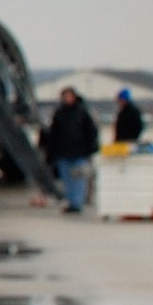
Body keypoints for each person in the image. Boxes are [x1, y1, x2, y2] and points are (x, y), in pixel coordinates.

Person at [42, 84, 100, 213]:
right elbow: (53, 133)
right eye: (65, 96)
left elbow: (91, 131)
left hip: (79, 152)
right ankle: (71, 202)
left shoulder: (82, 112)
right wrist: (51, 151)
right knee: (67, 179)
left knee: (79, 179)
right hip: (63, 152)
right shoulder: (59, 113)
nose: (67, 99)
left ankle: (77, 203)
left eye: (69, 96)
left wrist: (90, 148)